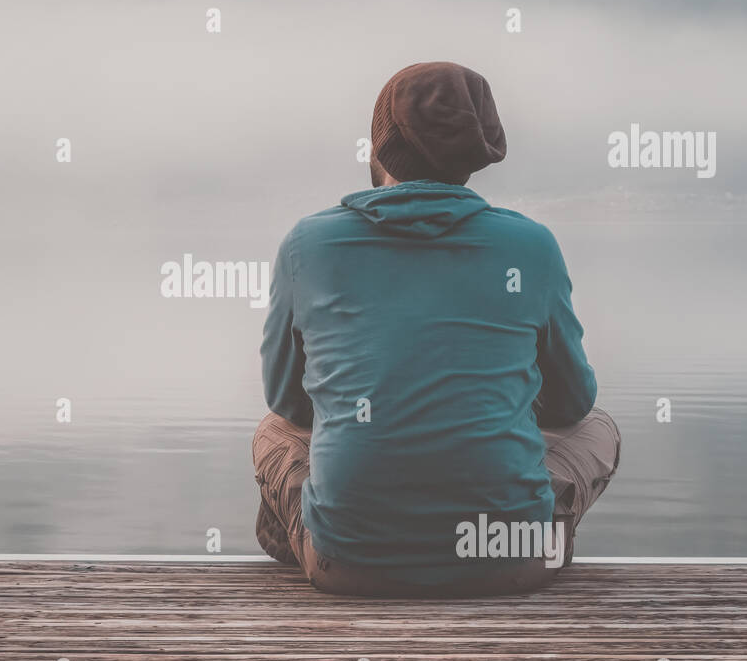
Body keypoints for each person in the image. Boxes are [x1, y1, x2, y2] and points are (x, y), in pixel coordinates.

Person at [253, 62, 620, 597]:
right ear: (477, 154)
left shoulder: (307, 246)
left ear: (379, 145)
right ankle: (535, 539)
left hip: (350, 564)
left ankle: (306, 542)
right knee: (600, 428)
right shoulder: (531, 247)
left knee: (272, 433)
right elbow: (572, 407)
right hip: (508, 561)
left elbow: (287, 402)